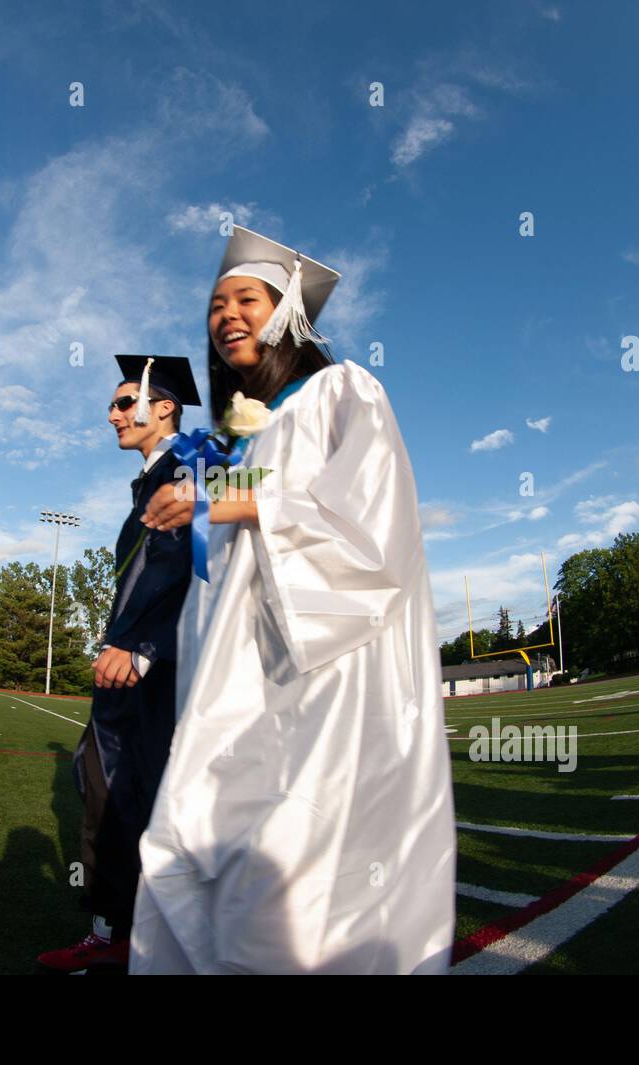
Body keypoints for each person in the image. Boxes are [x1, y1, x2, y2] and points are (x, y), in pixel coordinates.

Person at [131, 226, 456, 974]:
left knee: (287, 887)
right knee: (196, 846)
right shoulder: (243, 433)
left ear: (288, 317)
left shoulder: (343, 391)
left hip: (322, 685)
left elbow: (367, 520)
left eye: (247, 298)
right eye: (215, 305)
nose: (226, 315)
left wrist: (218, 496)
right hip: (236, 684)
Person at [37, 355, 201, 974]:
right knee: (106, 784)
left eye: (124, 401)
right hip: (131, 671)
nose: (111, 414)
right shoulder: (151, 482)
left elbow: (198, 573)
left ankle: (136, 938)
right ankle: (120, 931)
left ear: (164, 407)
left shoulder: (194, 466)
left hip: (161, 671)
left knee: (141, 796)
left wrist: (145, 646)